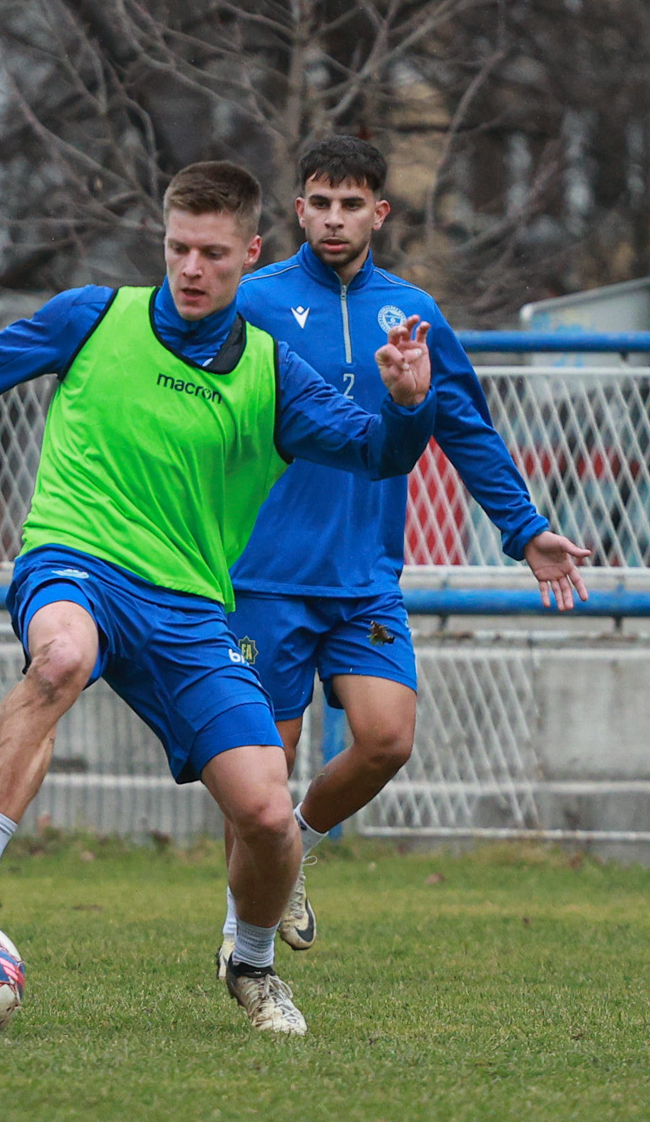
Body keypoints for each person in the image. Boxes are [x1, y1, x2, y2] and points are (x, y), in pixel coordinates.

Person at [0, 161, 436, 1036]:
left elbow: (378, 451)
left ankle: (251, 964)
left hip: (189, 607)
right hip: (77, 560)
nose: (191, 268)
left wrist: (408, 404)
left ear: (251, 253)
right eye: (178, 248)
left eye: (212, 254)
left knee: (268, 812)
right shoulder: (92, 317)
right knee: (60, 656)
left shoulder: (272, 373)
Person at [220, 137, 592, 970]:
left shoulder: (411, 313)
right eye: (321, 203)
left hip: (364, 576)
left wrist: (525, 528)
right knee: (260, 775)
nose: (334, 218)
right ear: (299, 210)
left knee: (387, 739)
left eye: (351, 204)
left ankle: (297, 847)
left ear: (379, 213)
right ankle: (245, 945)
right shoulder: (255, 301)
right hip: (261, 576)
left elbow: (467, 430)